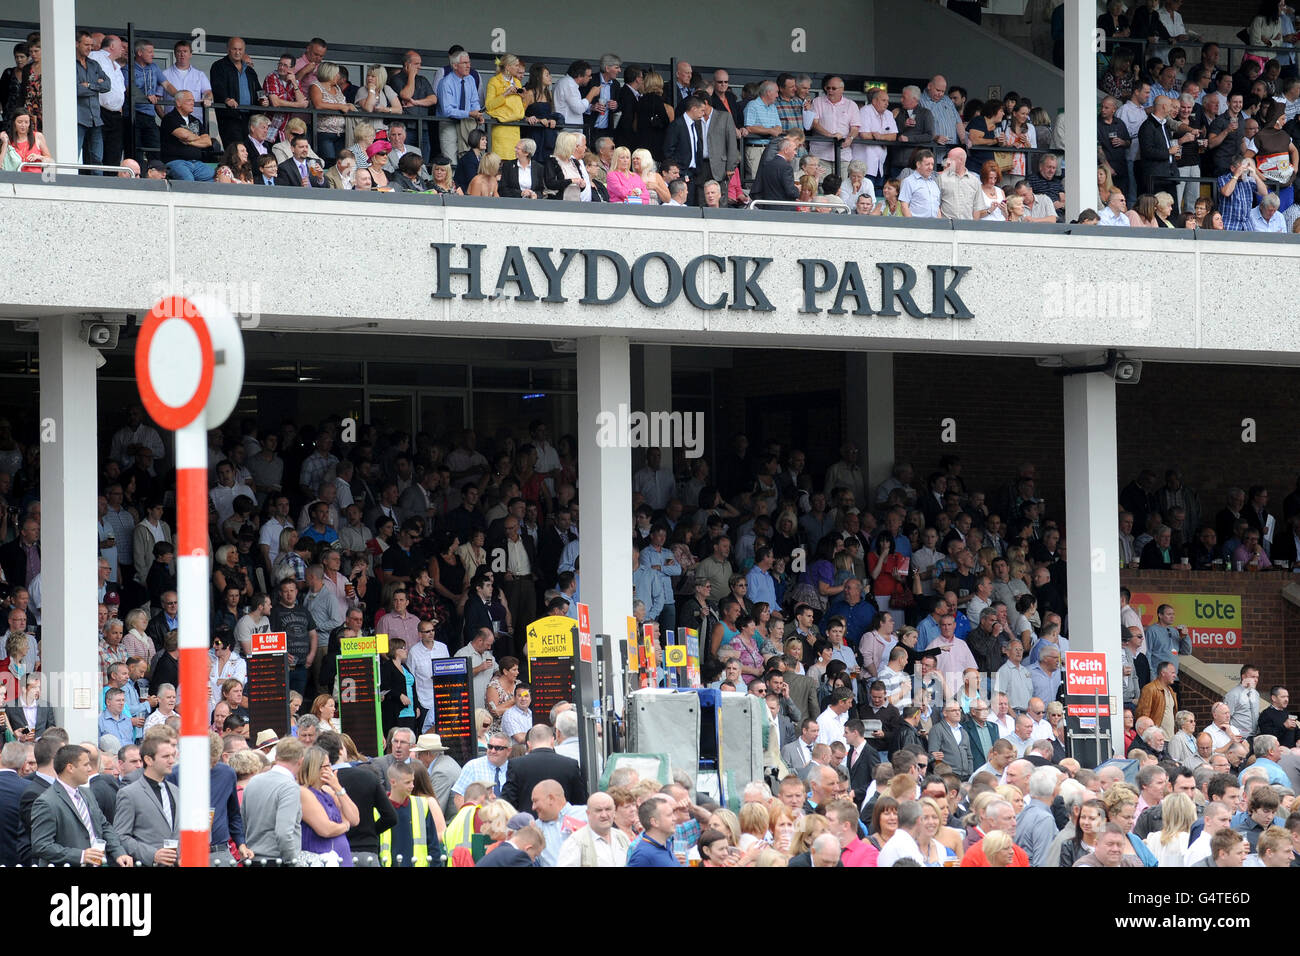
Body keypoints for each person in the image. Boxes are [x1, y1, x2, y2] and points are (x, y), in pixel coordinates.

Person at [30, 745, 133, 867]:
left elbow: (104, 826)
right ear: (70, 768)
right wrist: (81, 856)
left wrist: (119, 852)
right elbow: (41, 846)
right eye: (85, 765)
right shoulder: (46, 802)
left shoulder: (86, 793)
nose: (90, 769)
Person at [113, 736, 179, 865]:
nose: (172, 761)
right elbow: (120, 836)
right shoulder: (129, 793)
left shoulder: (176, 792)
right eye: (166, 757)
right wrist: (152, 854)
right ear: (149, 760)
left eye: (172, 755)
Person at [625, 793, 680, 867]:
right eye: (669, 815)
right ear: (654, 822)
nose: (675, 818)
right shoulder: (643, 855)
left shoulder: (665, 846)